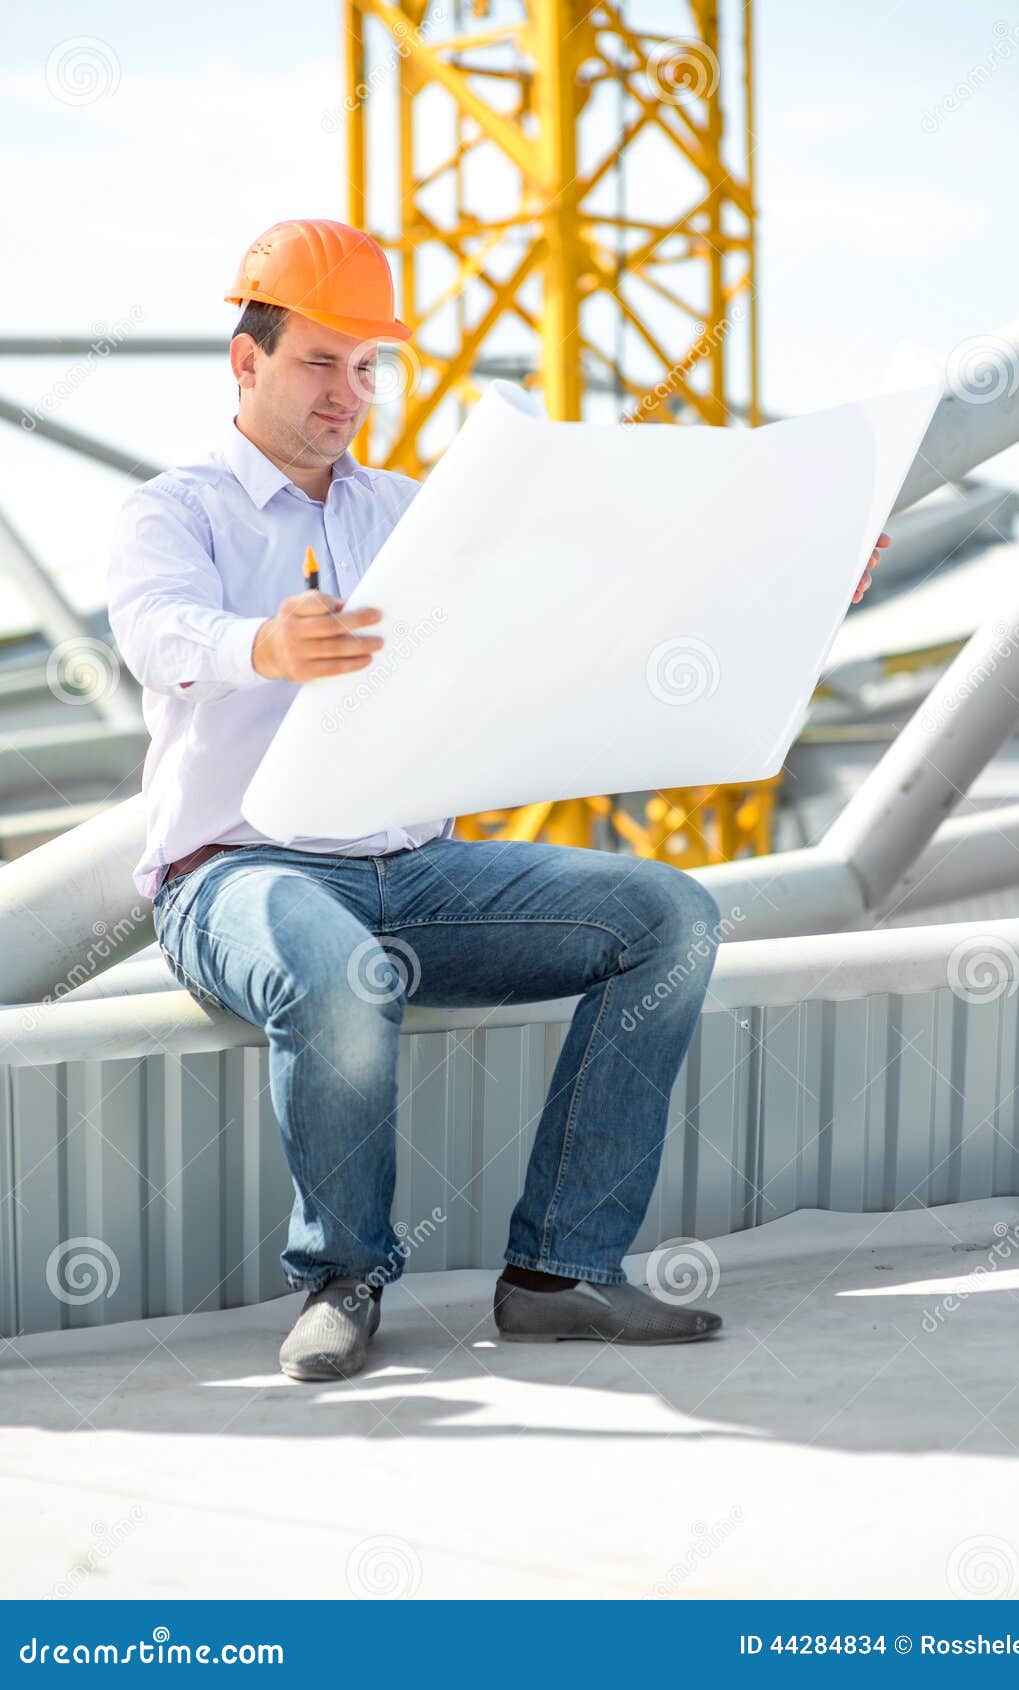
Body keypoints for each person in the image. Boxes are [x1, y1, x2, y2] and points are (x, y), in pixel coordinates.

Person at [108, 217, 884, 1384]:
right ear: (246, 359)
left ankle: (561, 1273)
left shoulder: (411, 512)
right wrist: (259, 643)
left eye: (367, 368)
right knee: (328, 967)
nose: (348, 394)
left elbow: (602, 575)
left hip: (414, 872)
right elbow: (154, 627)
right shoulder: (177, 511)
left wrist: (805, 568)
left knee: (666, 917)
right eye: (321, 362)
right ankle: (344, 1277)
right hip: (240, 871)